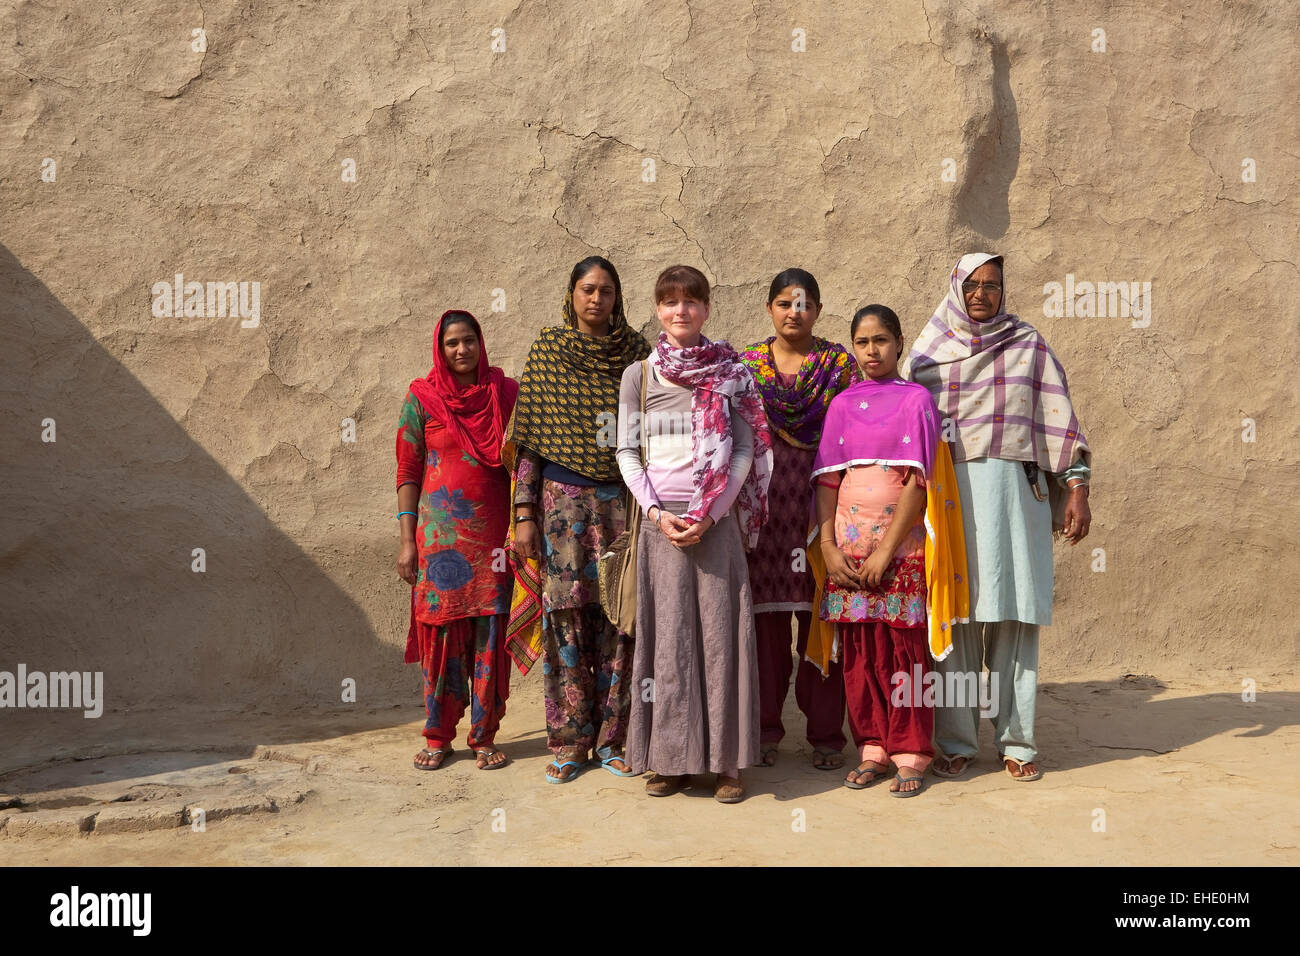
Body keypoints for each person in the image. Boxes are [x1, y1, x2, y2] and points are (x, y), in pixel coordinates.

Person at [905, 253, 1092, 782]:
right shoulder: (927, 356)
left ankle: (1018, 743)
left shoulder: (1028, 347)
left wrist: (1076, 490)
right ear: (956, 289)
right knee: (956, 616)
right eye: (973, 285)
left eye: (993, 285)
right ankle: (957, 741)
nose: (982, 294)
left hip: (1017, 499)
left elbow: (1060, 422)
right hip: (950, 503)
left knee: (1015, 619)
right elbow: (910, 437)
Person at [618, 264, 773, 804]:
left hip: (717, 524)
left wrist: (714, 511)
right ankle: (672, 759)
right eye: (669, 301)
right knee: (669, 641)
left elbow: (748, 449)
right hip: (661, 524)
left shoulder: (734, 373)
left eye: (691, 301)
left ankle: (728, 764)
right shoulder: (640, 375)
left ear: (707, 308)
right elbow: (627, 451)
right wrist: (658, 513)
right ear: (658, 310)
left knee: (721, 636)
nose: (680, 310)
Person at [503, 256, 651, 783]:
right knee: (565, 617)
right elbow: (529, 443)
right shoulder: (548, 352)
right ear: (571, 294)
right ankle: (570, 741)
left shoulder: (637, 356)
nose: (596, 299)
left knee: (619, 618)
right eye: (588, 289)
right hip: (562, 505)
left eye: (606, 291)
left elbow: (652, 434)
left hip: (622, 505)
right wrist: (524, 514)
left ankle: (614, 739)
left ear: (618, 297)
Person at [811, 305, 967, 796]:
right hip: (848, 553)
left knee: (904, 656)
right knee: (859, 655)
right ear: (852, 347)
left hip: (899, 555)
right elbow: (827, 482)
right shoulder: (841, 406)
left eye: (881, 340)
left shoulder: (916, 401)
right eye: (862, 342)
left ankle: (911, 751)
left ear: (899, 343)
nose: (871, 351)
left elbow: (919, 484)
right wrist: (830, 547)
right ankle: (872, 747)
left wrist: (886, 551)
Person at [739, 269, 854, 770]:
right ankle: (764, 729)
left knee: (820, 623)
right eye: (785, 303)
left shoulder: (839, 367)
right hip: (763, 519)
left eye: (804, 304)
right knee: (763, 631)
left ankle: (826, 735)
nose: (794, 312)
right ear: (770, 308)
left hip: (820, 514)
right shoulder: (745, 369)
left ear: (819, 311)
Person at [396, 310, 518, 771]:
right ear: (440, 349)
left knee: (490, 634)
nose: (462, 350)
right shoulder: (421, 399)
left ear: (480, 344)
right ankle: (438, 734)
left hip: (493, 541)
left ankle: (484, 736)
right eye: (452, 343)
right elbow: (407, 470)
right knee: (441, 635)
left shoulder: (505, 395)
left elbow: (522, 462)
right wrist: (407, 541)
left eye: (469, 341)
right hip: (438, 541)